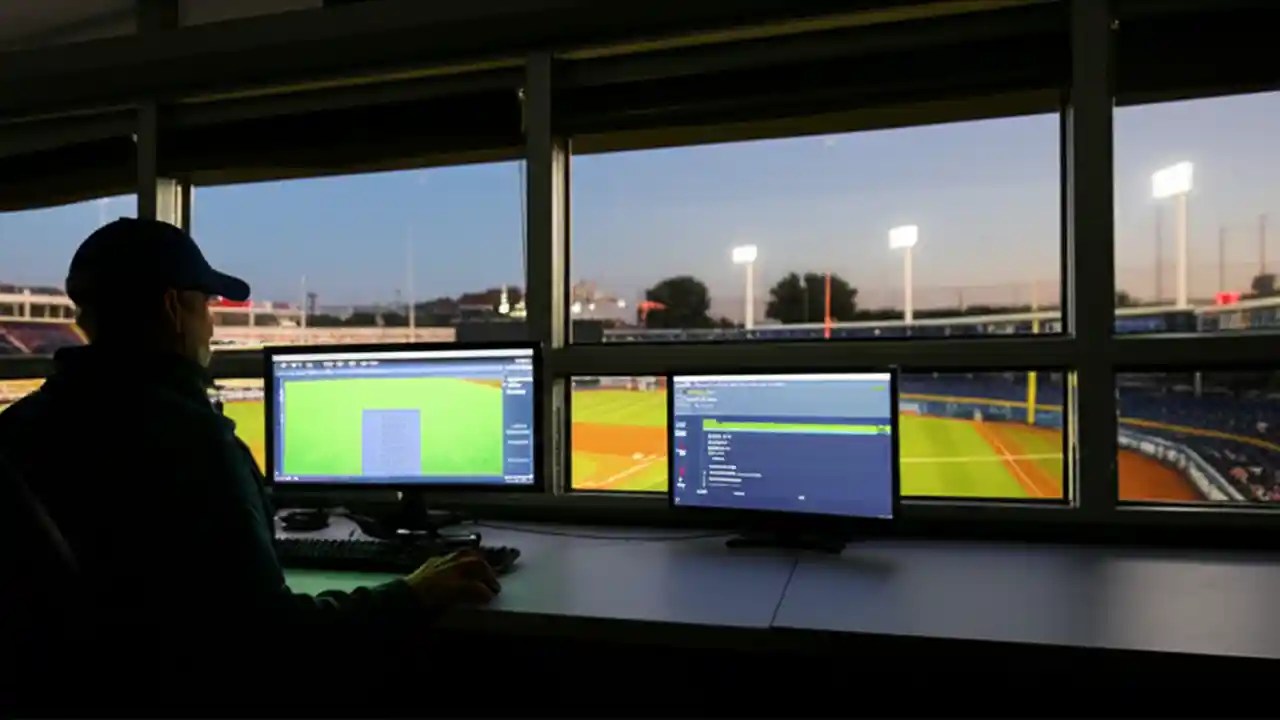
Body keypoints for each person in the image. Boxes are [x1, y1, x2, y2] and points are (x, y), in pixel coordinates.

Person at [0, 219, 499, 665]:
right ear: (175, 308)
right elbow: (276, 638)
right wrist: (412, 593)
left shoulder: (18, 428)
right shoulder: (193, 443)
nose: (213, 326)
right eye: (208, 306)